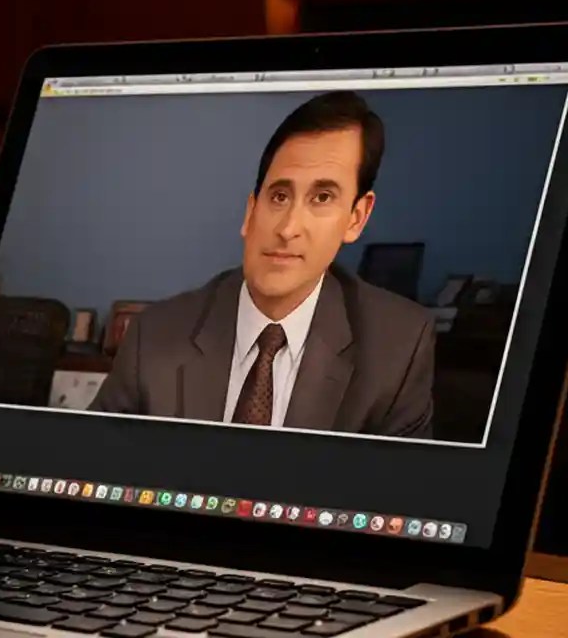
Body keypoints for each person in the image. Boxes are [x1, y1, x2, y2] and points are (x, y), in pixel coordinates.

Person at [90, 91, 435, 438]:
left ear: (356, 219)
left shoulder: (398, 348)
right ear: (250, 212)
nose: (286, 229)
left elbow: (400, 489)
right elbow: (87, 466)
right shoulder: (153, 336)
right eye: (279, 196)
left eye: (322, 198)